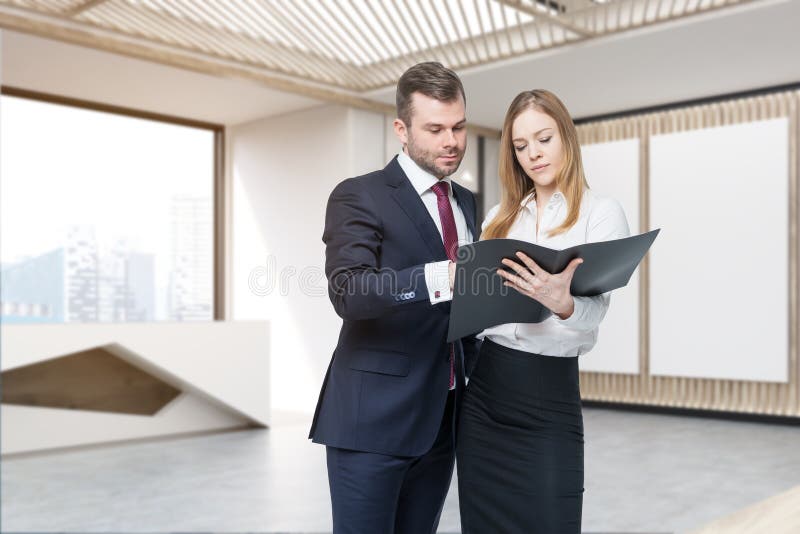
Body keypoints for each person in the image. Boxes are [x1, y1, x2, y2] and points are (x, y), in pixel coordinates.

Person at [308, 62, 480, 534]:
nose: (452, 141)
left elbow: (465, 314)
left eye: (459, 126)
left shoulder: (466, 202)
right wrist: (440, 277)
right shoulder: (360, 195)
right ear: (402, 129)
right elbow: (349, 291)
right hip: (372, 425)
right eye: (436, 129)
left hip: (440, 422)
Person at [456, 89, 630, 533]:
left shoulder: (600, 213)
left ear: (566, 138)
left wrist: (564, 303)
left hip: (549, 400)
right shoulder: (498, 217)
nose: (533, 154)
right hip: (486, 399)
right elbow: (477, 308)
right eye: (520, 146)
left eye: (543, 138)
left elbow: (594, 319)